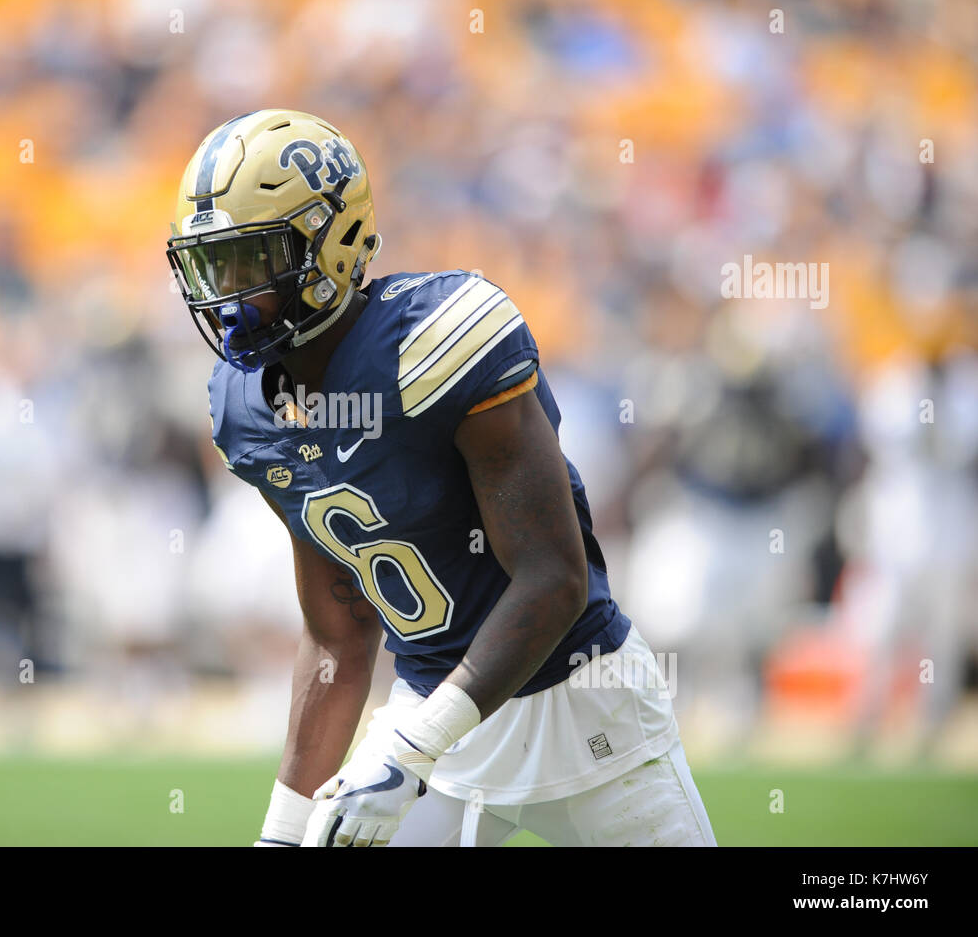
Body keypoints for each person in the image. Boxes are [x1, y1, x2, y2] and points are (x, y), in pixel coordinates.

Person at [165, 109, 716, 847]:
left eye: (250, 264)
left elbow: (556, 576)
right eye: (213, 267)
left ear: (330, 245)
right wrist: (280, 833)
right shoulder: (248, 408)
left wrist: (406, 749)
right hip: (433, 718)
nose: (228, 299)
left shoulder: (437, 342)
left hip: (581, 702)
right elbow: (338, 631)